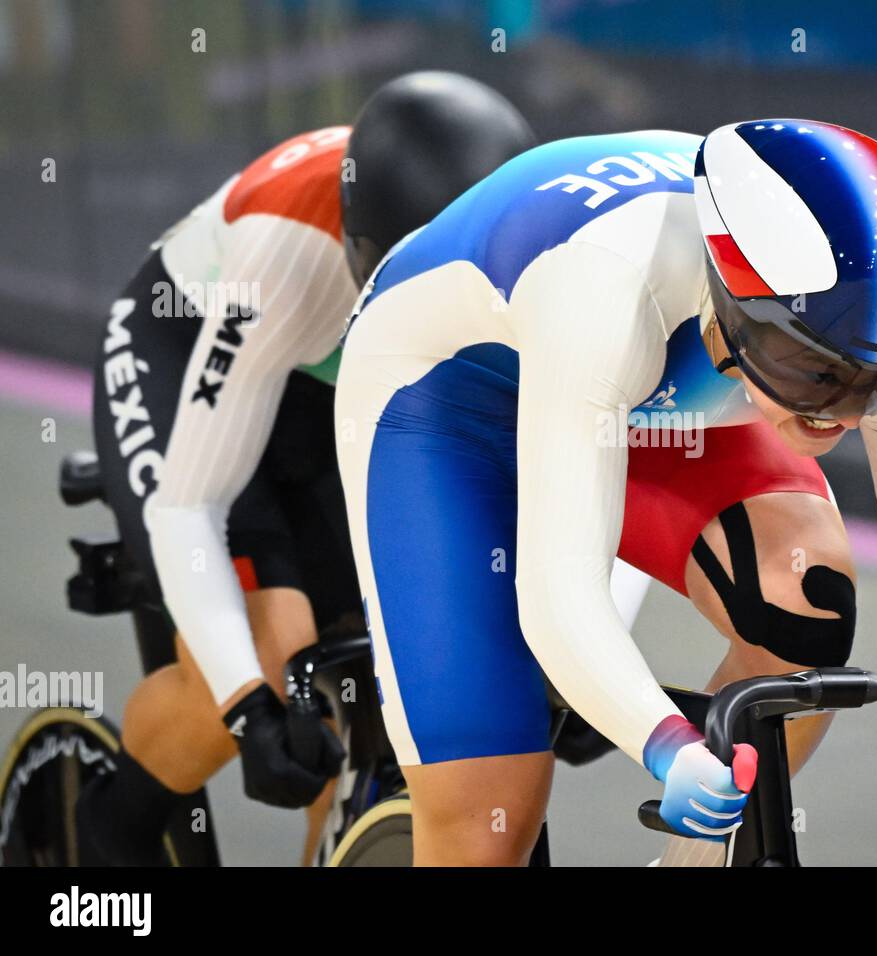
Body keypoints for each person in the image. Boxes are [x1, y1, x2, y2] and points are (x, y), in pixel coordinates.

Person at [334, 118, 877, 866]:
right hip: (443, 399)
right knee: (487, 818)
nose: (844, 414)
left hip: (650, 392)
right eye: (811, 370)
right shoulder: (607, 282)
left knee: (802, 597)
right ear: (729, 302)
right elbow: (559, 595)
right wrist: (667, 745)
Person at [78, 72, 537, 865]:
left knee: (395, 646)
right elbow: (189, 506)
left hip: (330, 378)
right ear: (364, 251)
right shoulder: (285, 250)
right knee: (275, 654)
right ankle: (111, 832)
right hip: (192, 354)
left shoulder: (535, 239)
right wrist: (251, 710)